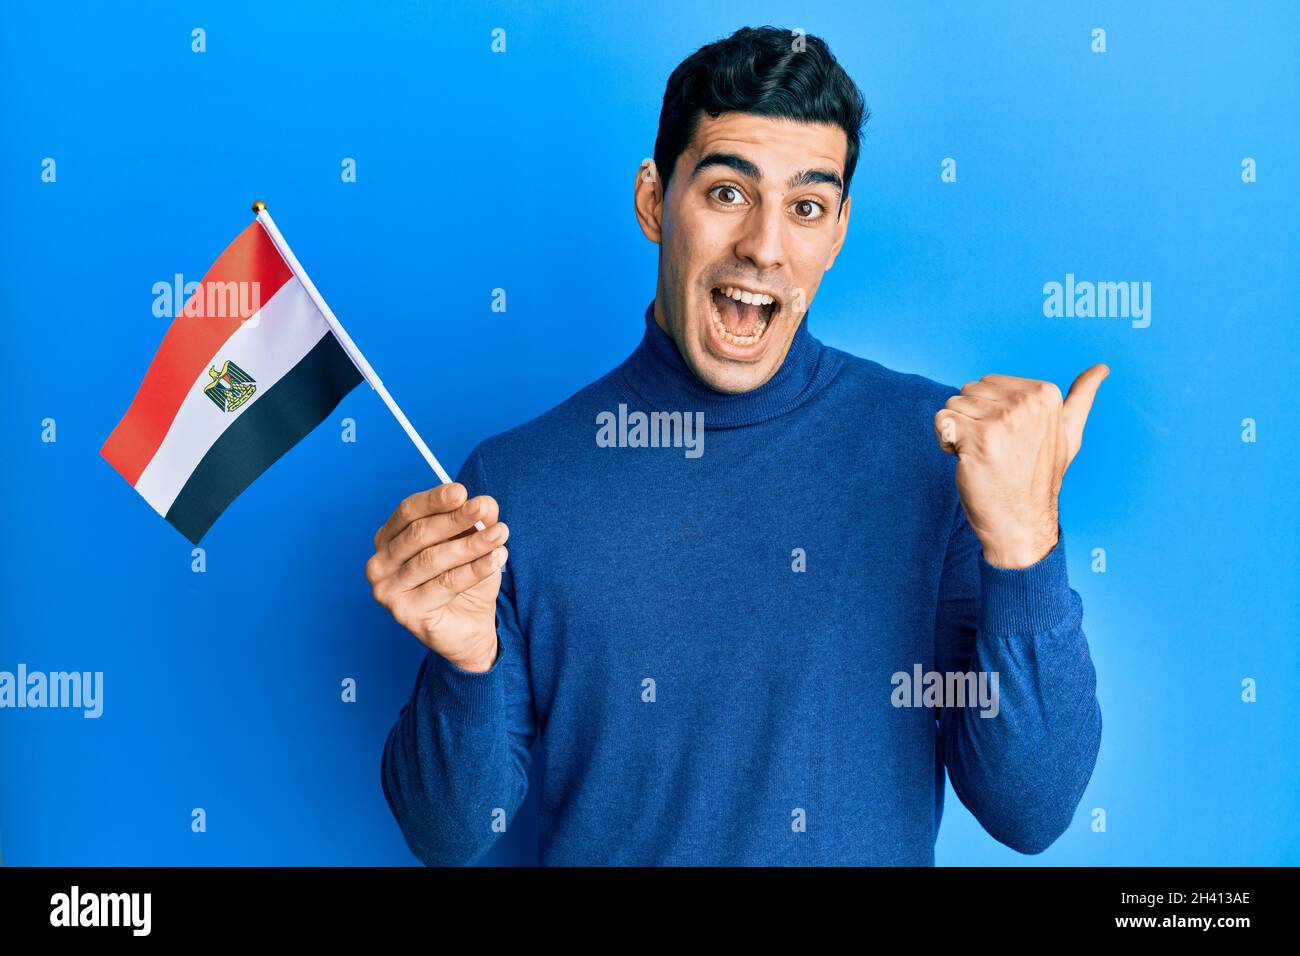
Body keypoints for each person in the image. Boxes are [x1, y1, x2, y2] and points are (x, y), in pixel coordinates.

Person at [372, 25, 1105, 866]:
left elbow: (1033, 809)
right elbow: (450, 837)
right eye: (727, 192)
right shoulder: (513, 484)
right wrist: (465, 666)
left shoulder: (936, 454)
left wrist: (1025, 546)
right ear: (654, 200)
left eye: (805, 207)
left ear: (836, 231)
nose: (763, 245)